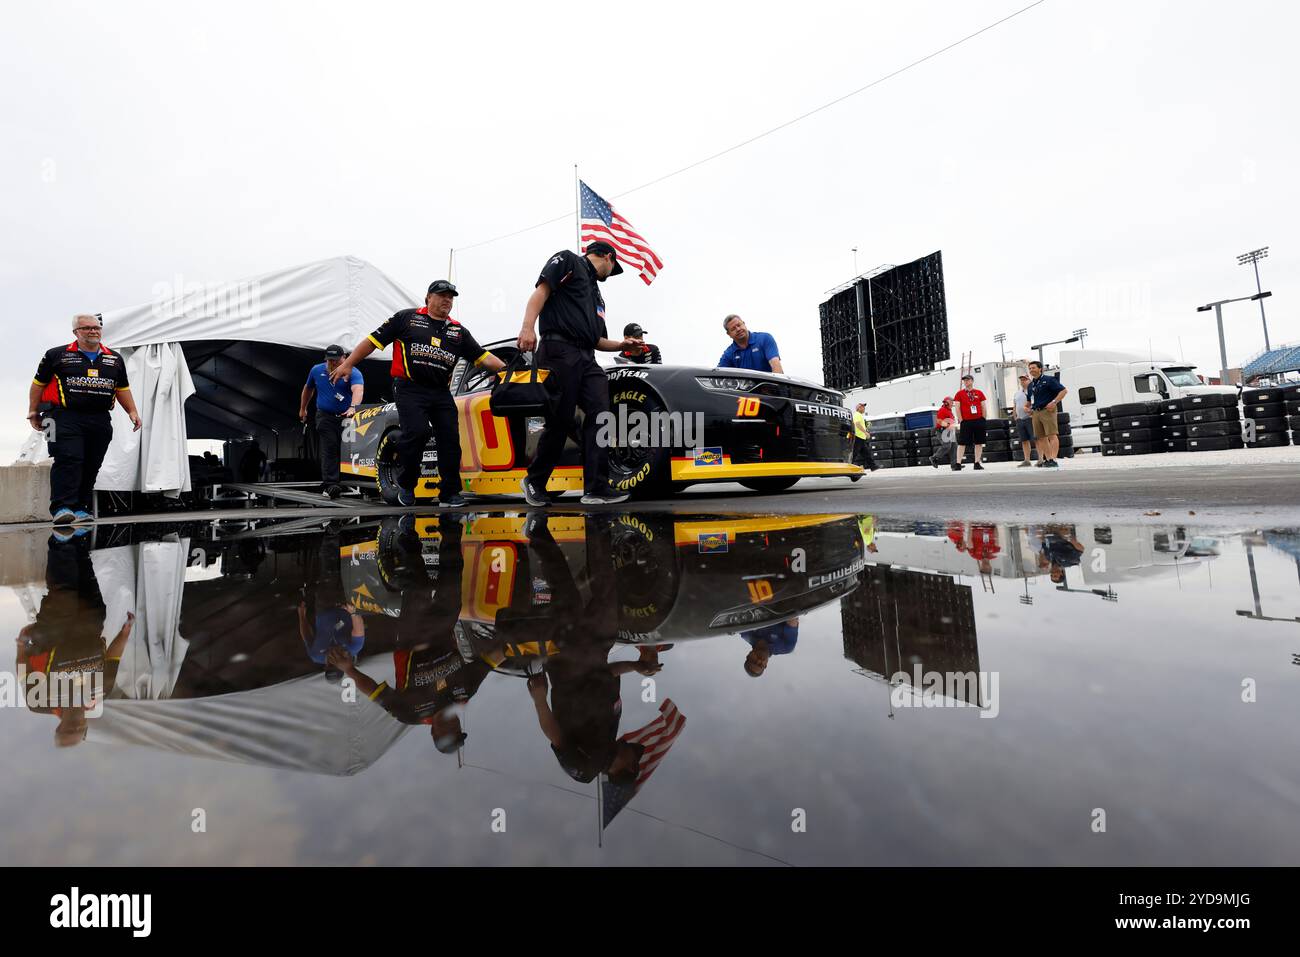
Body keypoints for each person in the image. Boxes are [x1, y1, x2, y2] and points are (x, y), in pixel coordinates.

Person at [332, 280, 504, 507]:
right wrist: (349, 364)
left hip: (441, 392)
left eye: (451, 297)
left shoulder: (458, 331)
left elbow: (482, 357)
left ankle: (450, 493)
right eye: (442, 295)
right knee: (417, 433)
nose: (447, 300)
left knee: (451, 440)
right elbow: (372, 341)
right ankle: (407, 484)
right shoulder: (406, 318)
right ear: (428, 298)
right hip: (409, 388)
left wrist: (509, 371)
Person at [328, 516, 479, 753]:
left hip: (412, 636)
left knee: (418, 586)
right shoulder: (463, 696)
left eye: (448, 732)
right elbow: (489, 661)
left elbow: (374, 691)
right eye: (457, 729)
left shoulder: (409, 713)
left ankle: (407, 532)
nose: (453, 725)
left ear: (434, 732)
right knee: (452, 580)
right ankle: (451, 525)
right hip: (444, 627)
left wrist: (349, 670)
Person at [515, 242, 643, 507]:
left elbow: (597, 339)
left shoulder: (598, 296)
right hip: (558, 350)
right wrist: (528, 328)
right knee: (560, 420)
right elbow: (541, 292)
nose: (609, 274)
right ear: (608, 257)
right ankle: (535, 481)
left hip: (587, 357)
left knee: (601, 415)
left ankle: (596, 488)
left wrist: (621, 344)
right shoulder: (567, 260)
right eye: (612, 268)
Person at [16, 531, 130, 747]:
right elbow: (113, 659)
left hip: (54, 631)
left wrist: (21, 648)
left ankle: (61, 538)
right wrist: (125, 632)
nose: (76, 724)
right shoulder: (100, 693)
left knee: (64, 593)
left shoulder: (39, 702)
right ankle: (78, 535)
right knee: (86, 575)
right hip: (91, 623)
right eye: (80, 729)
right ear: (86, 725)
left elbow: (24, 674)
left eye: (69, 728)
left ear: (59, 726)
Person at [29, 314, 142, 524]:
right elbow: (38, 384)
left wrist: (132, 411)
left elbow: (122, 388)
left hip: (99, 418)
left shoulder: (114, 358)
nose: (93, 331)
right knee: (68, 459)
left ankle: (80, 508)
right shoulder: (56, 355)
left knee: (92, 463)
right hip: (61, 416)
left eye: (96, 328)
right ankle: (62, 508)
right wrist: (33, 411)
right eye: (87, 328)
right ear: (76, 332)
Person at [301, 344, 364, 498]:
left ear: (344, 358)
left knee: (345, 450)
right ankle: (330, 484)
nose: (333, 363)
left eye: (336, 360)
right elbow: (308, 389)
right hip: (325, 416)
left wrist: (353, 407)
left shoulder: (353, 371)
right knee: (329, 447)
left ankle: (349, 480)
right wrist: (303, 408)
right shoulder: (316, 370)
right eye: (330, 360)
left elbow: (358, 389)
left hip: (345, 417)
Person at [1025, 361, 1069, 469]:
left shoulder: (1049, 380)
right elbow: (1029, 401)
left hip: (1047, 411)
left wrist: (1054, 402)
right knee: (1040, 437)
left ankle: (1053, 459)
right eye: (1030, 368)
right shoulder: (1031, 385)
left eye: (1033, 368)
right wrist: (1026, 408)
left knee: (1052, 435)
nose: (1031, 370)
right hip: (1035, 412)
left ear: (1040, 369)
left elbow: (1063, 391)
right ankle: (1048, 459)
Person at [718, 315, 783, 373]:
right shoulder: (729, 353)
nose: (738, 329)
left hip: (769, 384)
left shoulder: (764, 339)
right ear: (729, 334)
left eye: (739, 325)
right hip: (744, 386)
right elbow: (719, 374)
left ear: (744, 324)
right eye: (733, 329)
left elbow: (776, 366)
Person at [953, 373, 988, 470]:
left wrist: (983, 419)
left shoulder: (979, 393)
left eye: (968, 380)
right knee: (962, 443)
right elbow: (957, 408)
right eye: (964, 380)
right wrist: (961, 420)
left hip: (978, 420)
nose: (966, 382)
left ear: (972, 381)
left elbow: (983, 406)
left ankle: (977, 463)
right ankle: (958, 463)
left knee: (979, 442)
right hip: (966, 421)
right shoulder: (959, 394)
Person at [1012, 372, 1035, 467]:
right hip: (1020, 419)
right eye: (1021, 380)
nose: (1022, 381)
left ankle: (1041, 459)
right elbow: (1015, 406)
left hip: (1030, 418)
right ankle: (1027, 460)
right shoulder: (1017, 393)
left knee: (1037, 440)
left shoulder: (1033, 391)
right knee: (1024, 441)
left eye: (1025, 379)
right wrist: (1015, 417)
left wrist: (1032, 413)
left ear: (1029, 380)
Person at [929, 397, 959, 468]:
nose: (952, 403)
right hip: (942, 431)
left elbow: (951, 421)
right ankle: (934, 458)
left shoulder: (949, 411)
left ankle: (954, 465)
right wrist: (948, 425)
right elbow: (939, 421)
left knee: (954, 446)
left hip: (949, 431)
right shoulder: (942, 410)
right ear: (946, 402)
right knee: (947, 445)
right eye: (951, 402)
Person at [851, 402, 879, 471]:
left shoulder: (859, 415)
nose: (864, 409)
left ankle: (873, 466)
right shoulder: (857, 415)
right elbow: (857, 424)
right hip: (858, 438)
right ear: (859, 408)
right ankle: (848, 466)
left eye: (864, 407)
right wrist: (865, 432)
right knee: (854, 454)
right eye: (863, 407)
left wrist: (866, 428)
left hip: (861, 438)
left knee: (866, 453)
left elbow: (860, 425)